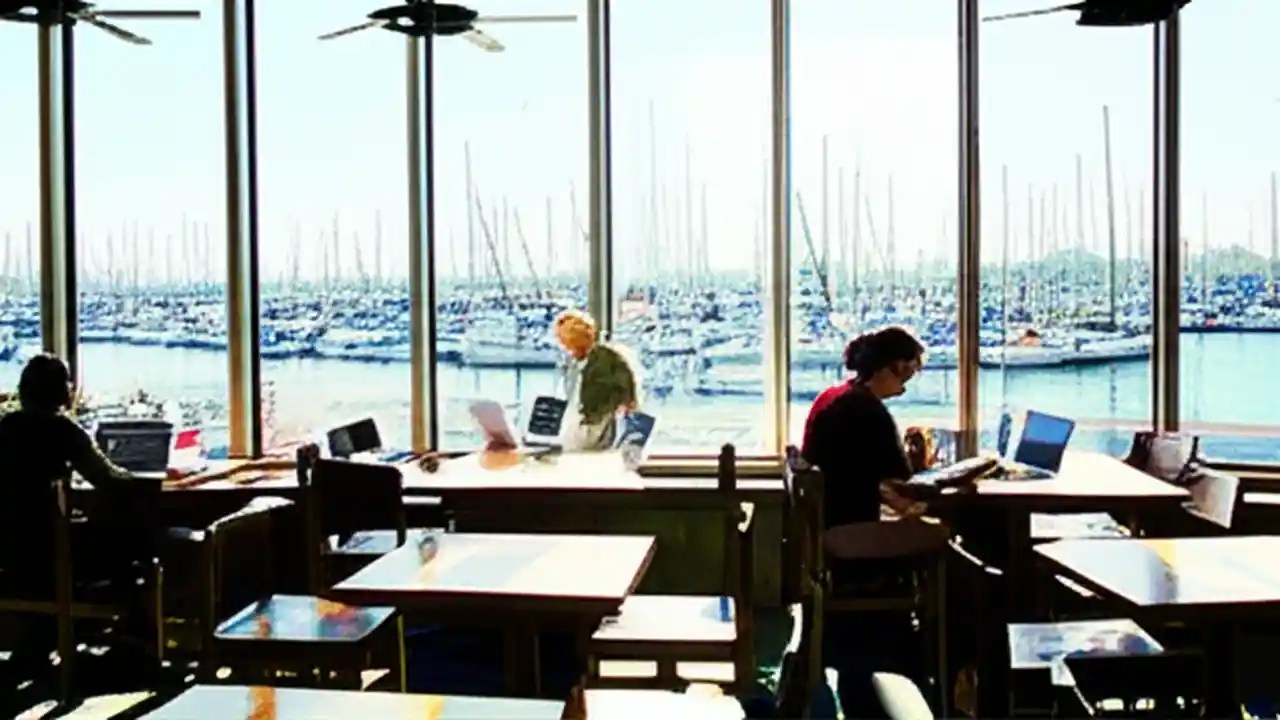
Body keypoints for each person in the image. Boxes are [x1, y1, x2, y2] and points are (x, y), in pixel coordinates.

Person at [0, 354, 158, 592]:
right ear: (63, 391)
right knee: (132, 534)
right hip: (52, 552)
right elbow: (107, 478)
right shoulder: (63, 431)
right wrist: (149, 482)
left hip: (10, 552)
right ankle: (132, 611)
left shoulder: (6, 427)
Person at [801, 326, 931, 528]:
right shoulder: (869, 410)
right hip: (849, 523)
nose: (906, 384)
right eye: (908, 373)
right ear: (890, 367)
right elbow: (902, 478)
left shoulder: (833, 396)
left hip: (826, 518)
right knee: (939, 532)